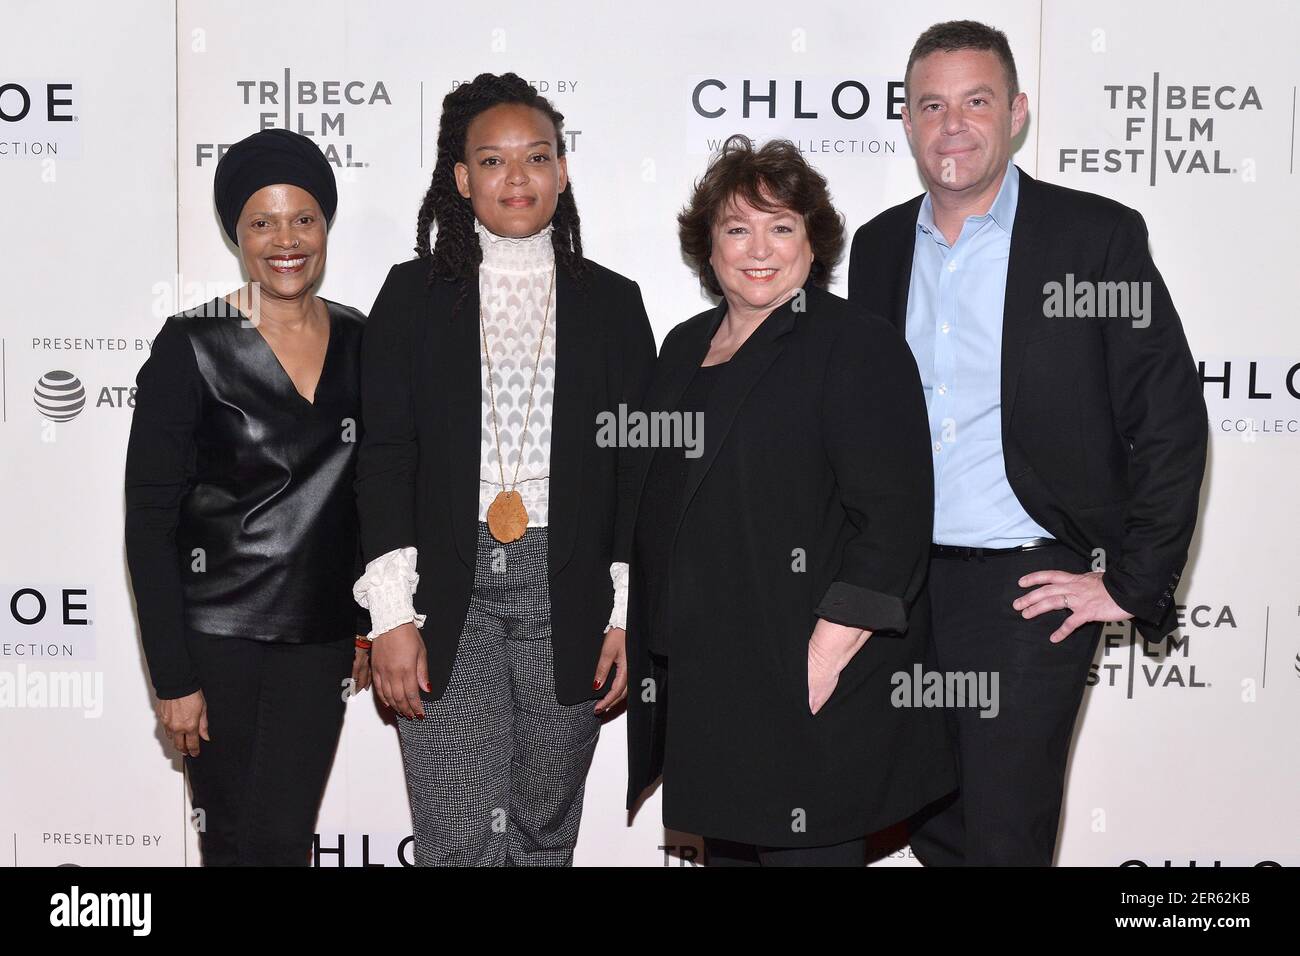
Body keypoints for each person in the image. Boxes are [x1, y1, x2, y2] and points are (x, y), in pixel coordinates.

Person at [848, 20, 1208, 866]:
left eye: (976, 101)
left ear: (1016, 113)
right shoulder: (878, 247)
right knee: (933, 824)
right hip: (902, 590)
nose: (952, 125)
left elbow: (1168, 414)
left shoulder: (1092, 238)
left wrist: (1133, 581)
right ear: (905, 119)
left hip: (1025, 586)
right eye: (931, 105)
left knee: (1004, 835)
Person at [625, 134, 955, 866]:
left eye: (782, 227)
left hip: (809, 689)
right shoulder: (682, 350)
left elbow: (894, 523)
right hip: (710, 691)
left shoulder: (853, 344)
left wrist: (820, 660)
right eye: (737, 228)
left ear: (814, 243)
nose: (758, 249)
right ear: (708, 247)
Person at [352, 72, 657, 866]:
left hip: (574, 591)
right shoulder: (412, 295)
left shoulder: (614, 303)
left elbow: (637, 477)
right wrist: (390, 615)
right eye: (492, 161)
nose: (516, 178)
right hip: (444, 591)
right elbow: (383, 458)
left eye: (537, 157)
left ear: (562, 170)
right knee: (458, 837)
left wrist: (628, 610)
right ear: (461, 178)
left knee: (541, 833)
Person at [125, 127, 372, 866]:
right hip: (219, 640)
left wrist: (366, 621)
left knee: (282, 842)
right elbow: (148, 522)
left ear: (326, 224)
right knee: (237, 844)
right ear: (237, 233)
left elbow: (375, 492)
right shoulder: (190, 345)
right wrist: (172, 677)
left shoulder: (366, 341)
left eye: (304, 218)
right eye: (262, 222)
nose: (285, 240)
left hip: (320, 642)